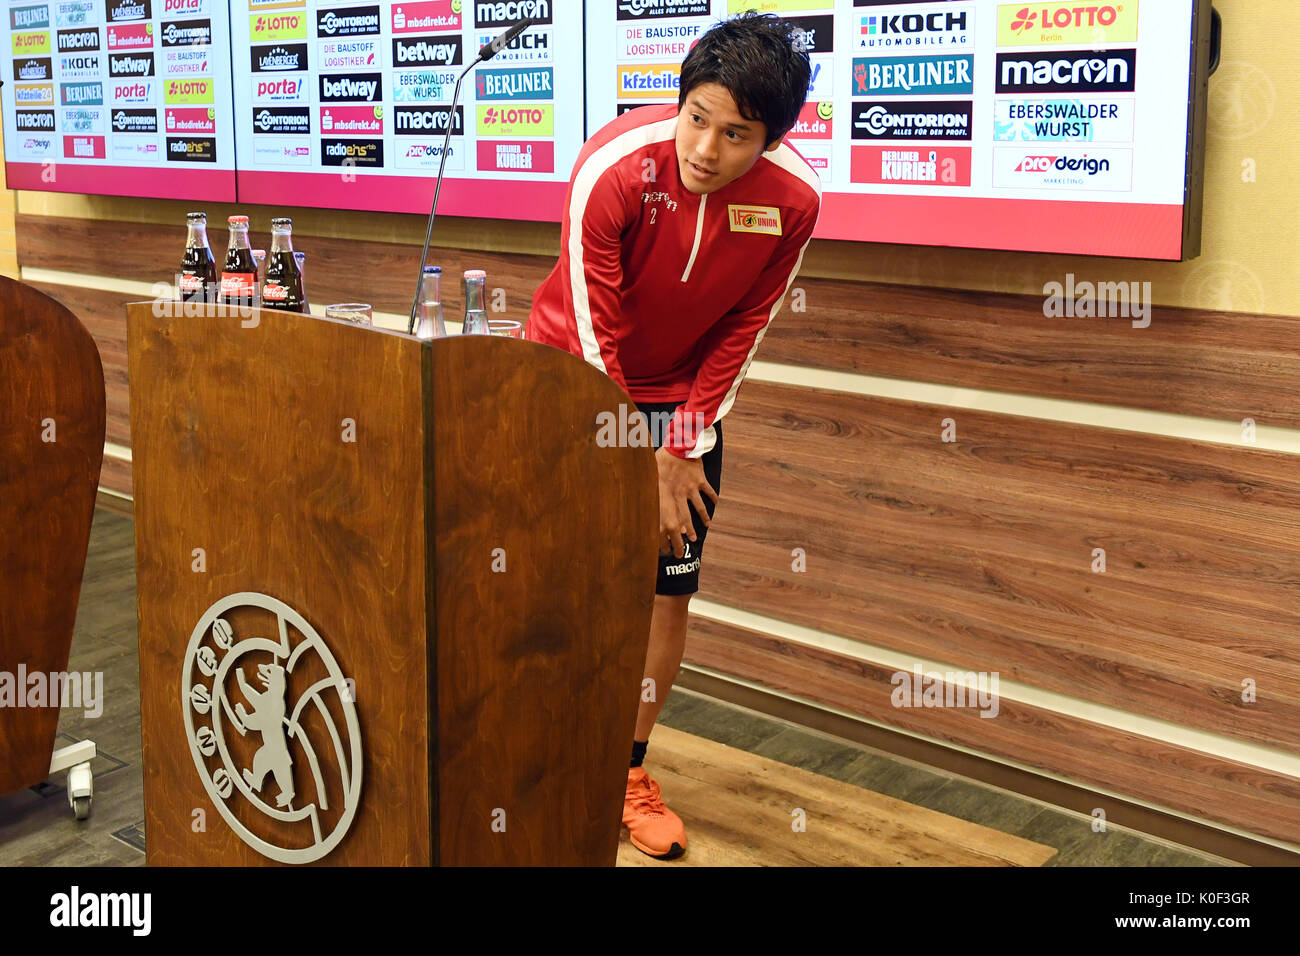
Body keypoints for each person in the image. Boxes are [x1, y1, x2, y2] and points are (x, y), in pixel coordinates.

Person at [526, 12, 821, 860]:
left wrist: (679, 443)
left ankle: (623, 769)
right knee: (549, 573)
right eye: (698, 117)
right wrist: (635, 454)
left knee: (666, 589)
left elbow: (745, 328)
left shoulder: (794, 201)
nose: (706, 149)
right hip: (568, 380)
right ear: (679, 101)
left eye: (736, 135)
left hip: (683, 410)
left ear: (769, 140)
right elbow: (594, 329)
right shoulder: (614, 167)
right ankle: (536, 738)